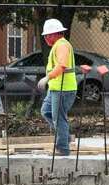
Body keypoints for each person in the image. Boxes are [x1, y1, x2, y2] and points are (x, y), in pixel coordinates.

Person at [38, 18, 77, 156]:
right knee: (46, 111)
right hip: (55, 88)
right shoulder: (58, 45)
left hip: (63, 89)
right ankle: (64, 137)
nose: (45, 38)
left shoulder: (62, 46)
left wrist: (47, 77)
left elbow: (61, 66)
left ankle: (62, 149)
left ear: (54, 34)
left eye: (47, 35)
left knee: (59, 118)